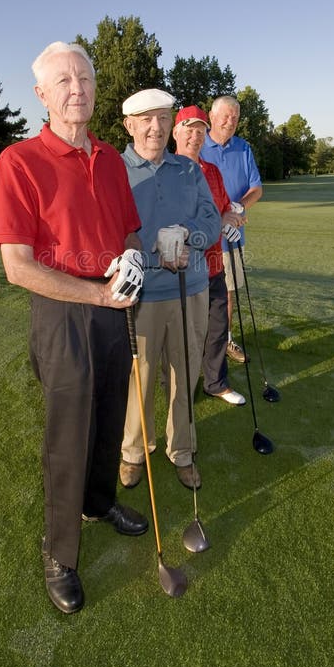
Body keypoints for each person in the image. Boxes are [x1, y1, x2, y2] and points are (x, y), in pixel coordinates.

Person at [0, 41, 148, 616]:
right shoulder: (19, 161)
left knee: (109, 414)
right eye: (63, 81)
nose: (76, 88)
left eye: (84, 77)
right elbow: (17, 267)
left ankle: (99, 501)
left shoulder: (109, 158)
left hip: (113, 305)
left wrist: (131, 259)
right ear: (41, 94)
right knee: (68, 434)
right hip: (62, 314)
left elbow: (128, 230)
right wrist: (96, 293)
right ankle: (60, 552)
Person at [119, 89, 221, 490]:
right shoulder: (115, 170)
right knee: (138, 380)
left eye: (163, 119)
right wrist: (145, 250)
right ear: (129, 125)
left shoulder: (188, 170)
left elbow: (211, 220)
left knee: (184, 375)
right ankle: (133, 451)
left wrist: (188, 236)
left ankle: (182, 450)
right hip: (141, 293)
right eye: (145, 120)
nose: (155, 128)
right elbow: (109, 228)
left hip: (188, 289)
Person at [173, 105, 246, 406]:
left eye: (201, 131)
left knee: (217, 328)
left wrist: (233, 215)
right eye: (189, 129)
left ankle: (215, 382)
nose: (195, 136)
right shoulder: (165, 172)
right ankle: (179, 390)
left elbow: (225, 206)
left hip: (215, 265)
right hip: (182, 272)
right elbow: (177, 224)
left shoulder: (211, 171)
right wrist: (220, 222)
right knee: (184, 336)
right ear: (176, 132)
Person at [200, 96, 263, 363]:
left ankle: (224, 340)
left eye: (235, 117)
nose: (230, 121)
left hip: (233, 235)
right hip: (203, 237)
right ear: (212, 117)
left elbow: (256, 189)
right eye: (226, 116)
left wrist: (239, 207)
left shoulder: (243, 147)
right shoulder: (197, 144)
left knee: (227, 291)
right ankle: (199, 340)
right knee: (200, 291)